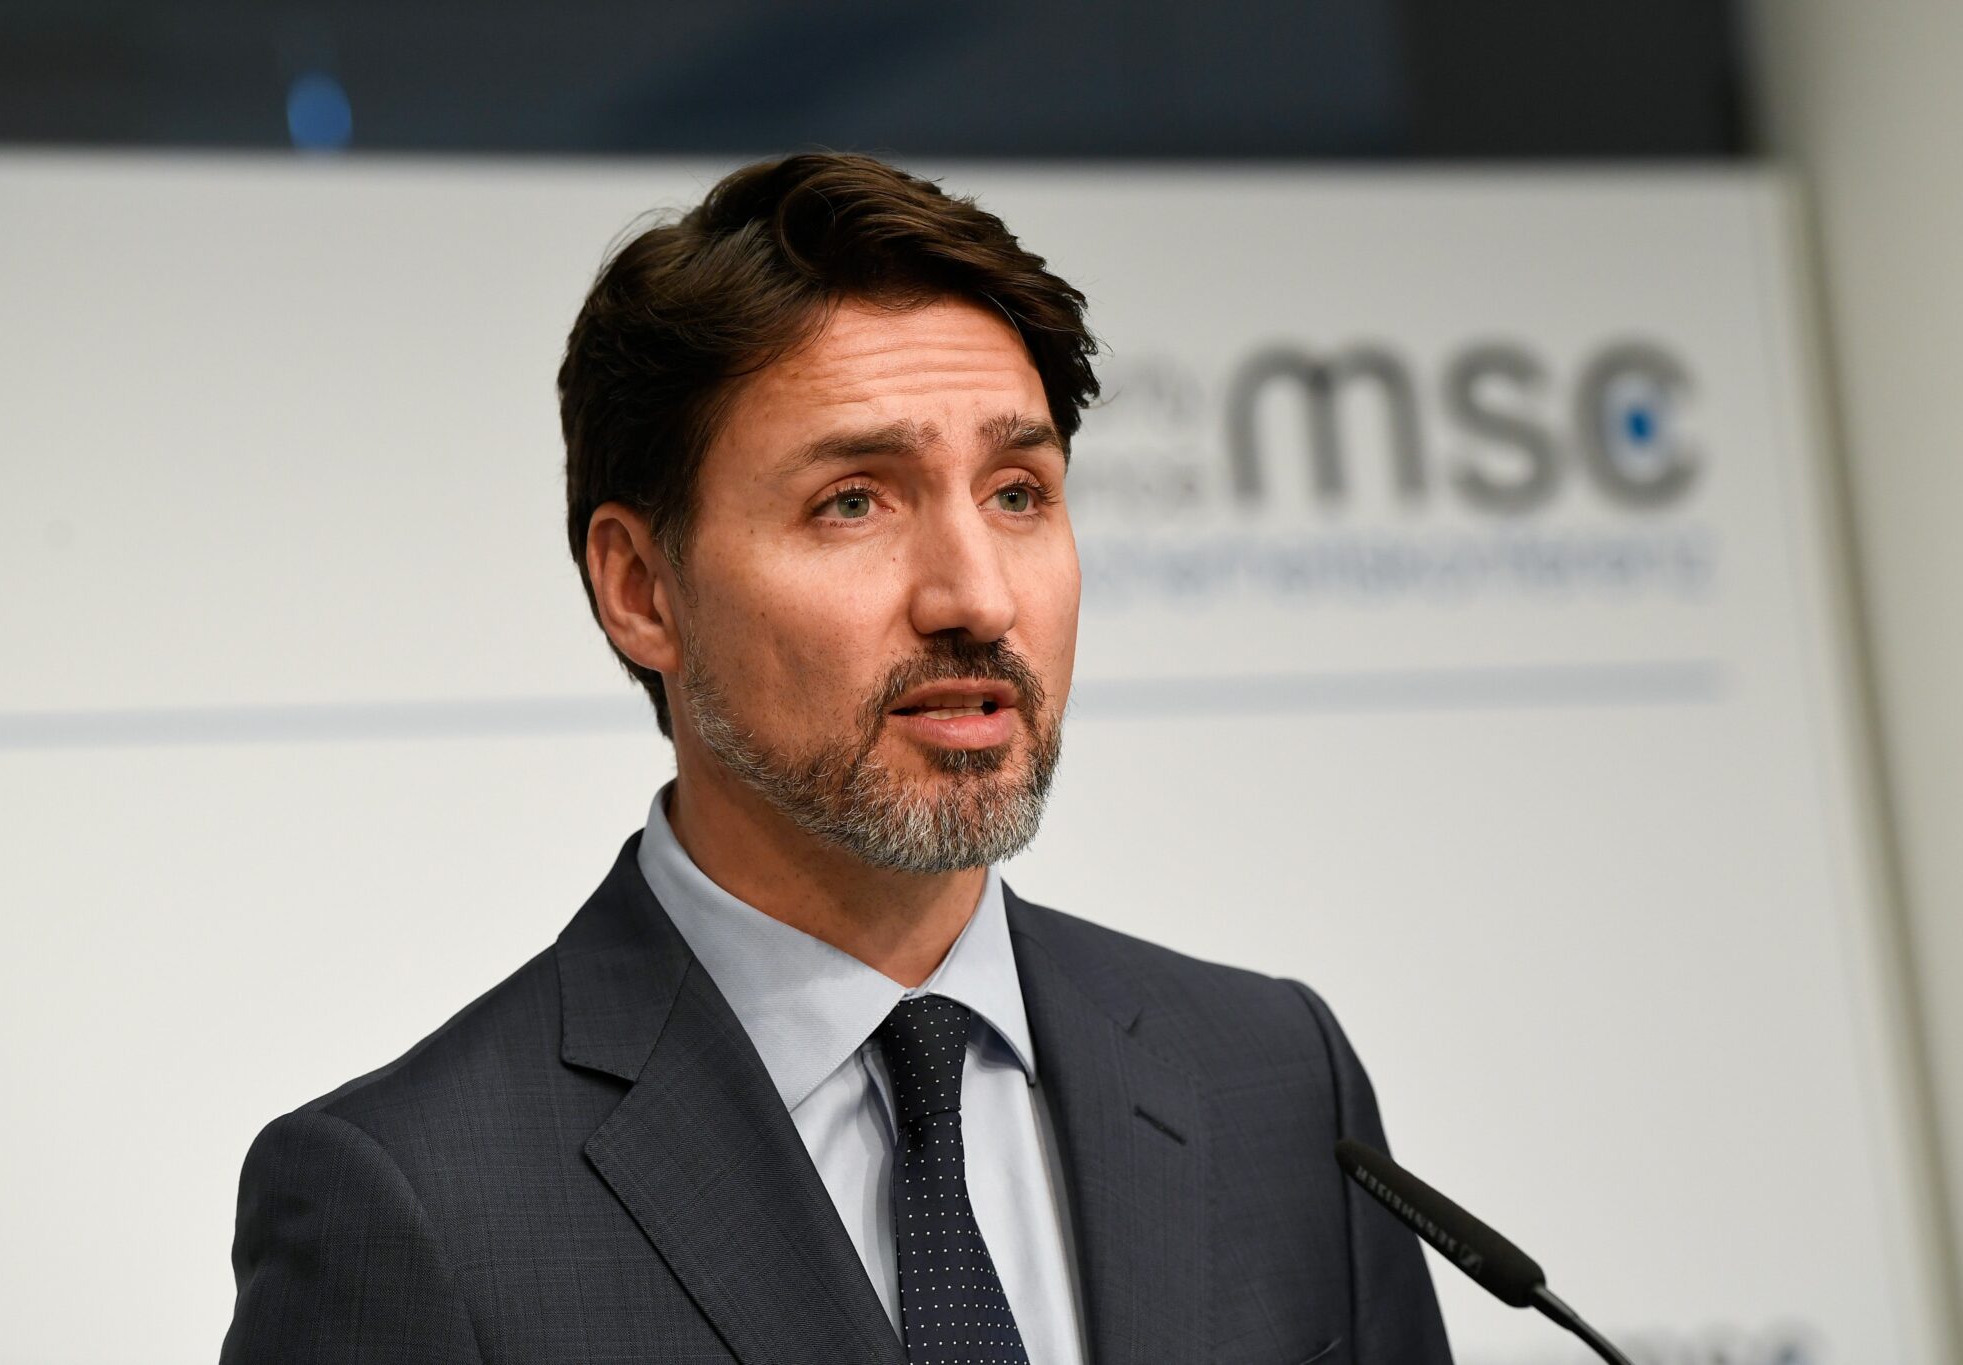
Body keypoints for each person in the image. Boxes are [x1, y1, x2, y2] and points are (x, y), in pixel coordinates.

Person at [220, 151, 1452, 1365]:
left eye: (1017, 493)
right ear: (640, 589)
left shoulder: (1272, 1079)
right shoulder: (411, 1206)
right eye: (854, 501)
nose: (975, 597)